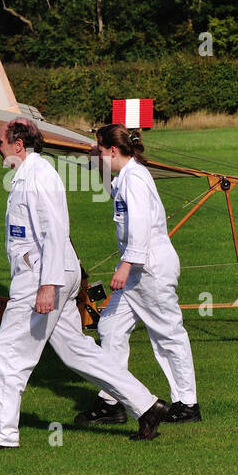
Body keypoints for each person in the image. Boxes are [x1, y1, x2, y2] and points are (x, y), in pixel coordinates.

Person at [0, 118, 170, 451]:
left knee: (10, 351)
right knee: (78, 353)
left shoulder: (40, 177)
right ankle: (146, 406)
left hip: (42, 277)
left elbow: (54, 232)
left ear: (18, 145)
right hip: (51, 273)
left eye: (0, 141)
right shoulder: (28, 175)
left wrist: (48, 286)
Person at [74, 123, 201, 426]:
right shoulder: (126, 176)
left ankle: (187, 403)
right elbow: (113, 190)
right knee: (111, 330)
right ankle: (112, 402)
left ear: (113, 151)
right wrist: (96, 162)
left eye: (101, 151)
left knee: (167, 334)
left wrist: (126, 265)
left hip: (149, 269)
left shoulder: (136, 180)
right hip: (136, 271)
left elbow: (141, 225)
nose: (99, 155)